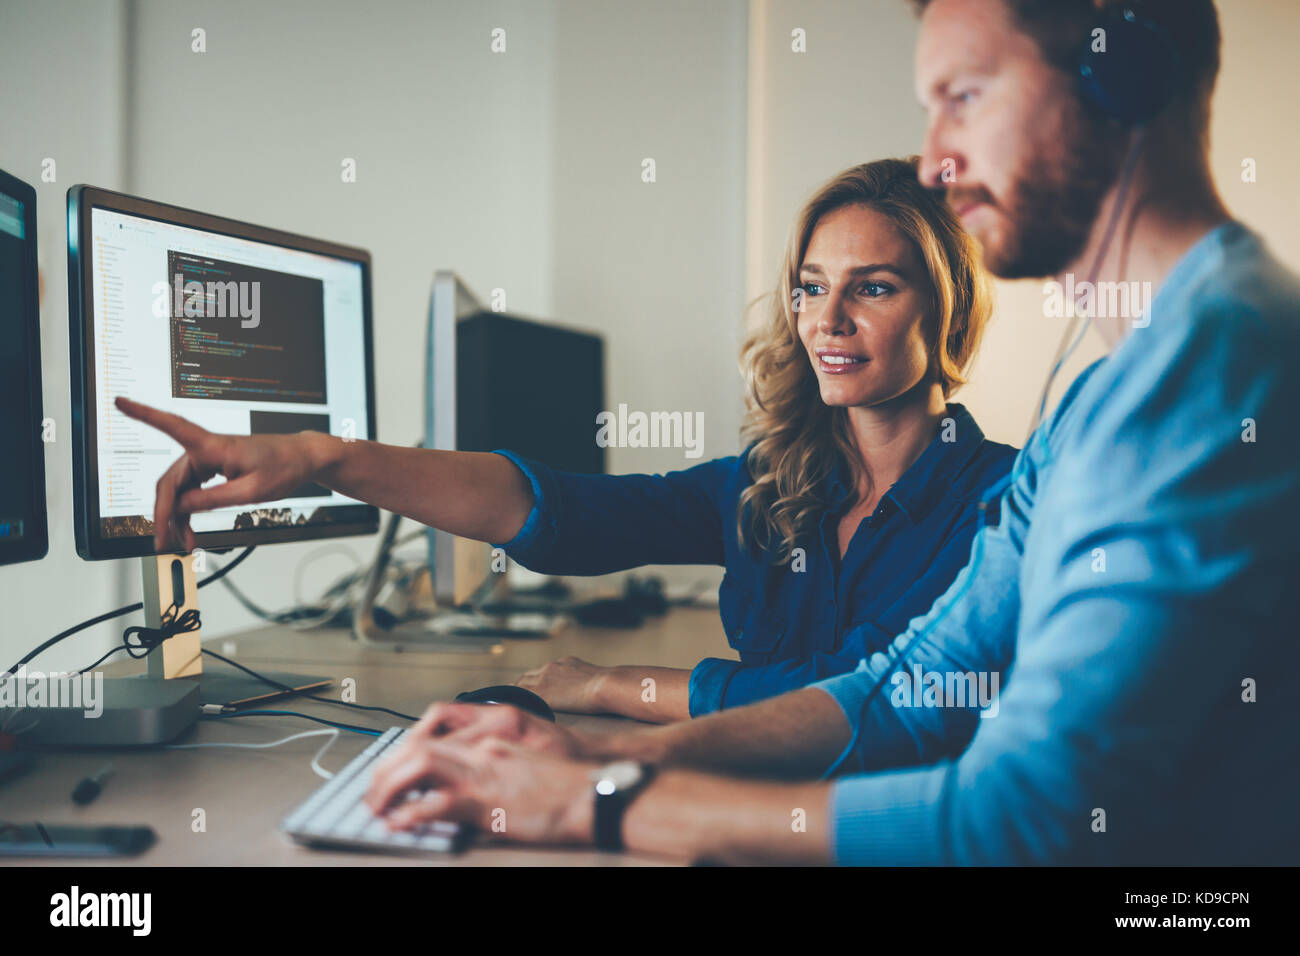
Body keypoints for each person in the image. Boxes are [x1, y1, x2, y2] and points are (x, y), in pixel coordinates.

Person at [352, 0, 1300, 865]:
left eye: (963, 97)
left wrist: (595, 802)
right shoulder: (1100, 399)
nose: (936, 160)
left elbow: (1030, 816)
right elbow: (909, 688)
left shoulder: (1223, 371)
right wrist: (593, 760)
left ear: (1119, 74)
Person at [117, 157, 1014, 723]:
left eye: (874, 288)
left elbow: (863, 697)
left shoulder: (1000, 504)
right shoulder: (771, 485)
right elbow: (563, 511)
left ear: (948, 309)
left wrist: (606, 684)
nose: (830, 320)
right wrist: (326, 459)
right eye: (812, 288)